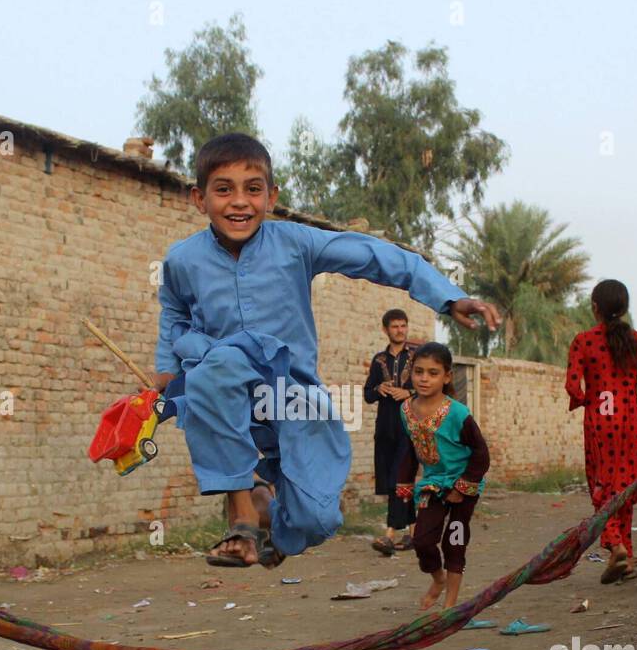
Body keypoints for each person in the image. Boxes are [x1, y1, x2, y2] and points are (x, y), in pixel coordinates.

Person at [151, 133, 500, 568]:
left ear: (272, 196)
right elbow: (174, 313)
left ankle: (269, 519)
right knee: (220, 362)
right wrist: (167, 370)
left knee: (317, 519)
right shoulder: (183, 260)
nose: (239, 202)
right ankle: (241, 514)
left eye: (252, 189)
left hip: (292, 395)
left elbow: (376, 256)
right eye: (223, 189)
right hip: (224, 390)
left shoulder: (297, 244)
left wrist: (448, 299)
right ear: (199, 198)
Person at [565, 279, 637, 583]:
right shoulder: (636, 340)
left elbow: (572, 383)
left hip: (599, 425)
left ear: (595, 308)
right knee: (625, 488)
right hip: (630, 423)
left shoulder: (584, 341)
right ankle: (627, 558)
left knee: (602, 486)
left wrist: (584, 400)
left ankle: (616, 546)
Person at [394, 343, 490, 611]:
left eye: (433, 373)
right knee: (422, 540)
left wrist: (463, 487)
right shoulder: (405, 410)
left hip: (464, 484)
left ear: (446, 376)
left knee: (454, 541)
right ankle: (438, 580)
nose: (424, 378)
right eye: (419, 372)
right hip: (433, 484)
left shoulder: (458, 414)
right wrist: (404, 483)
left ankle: (449, 607)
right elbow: (411, 449)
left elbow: (481, 453)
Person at [364, 308, 418, 556]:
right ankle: (413, 532)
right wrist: (380, 388)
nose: (400, 330)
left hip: (409, 427)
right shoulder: (378, 361)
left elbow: (432, 389)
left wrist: (409, 393)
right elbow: (367, 395)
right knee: (392, 482)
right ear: (385, 329)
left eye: (403, 325)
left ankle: (389, 534)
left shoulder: (417, 359)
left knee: (400, 478)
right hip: (385, 428)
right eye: (395, 326)